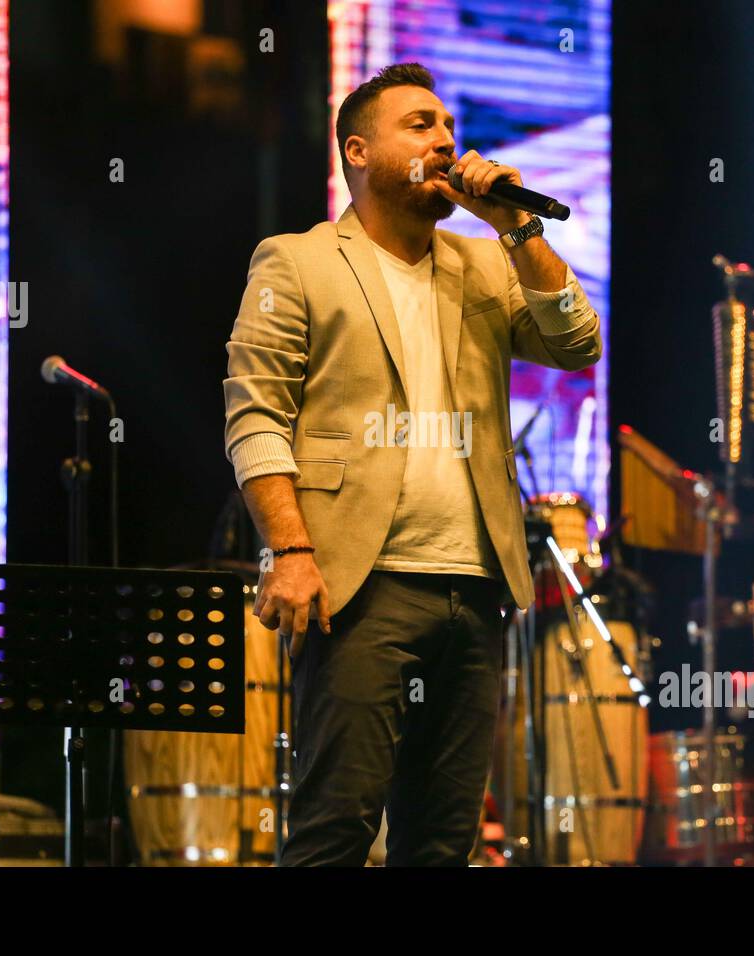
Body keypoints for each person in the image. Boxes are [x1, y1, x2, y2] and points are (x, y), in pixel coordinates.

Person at [223, 62, 602, 866]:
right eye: (420, 124)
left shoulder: (487, 263)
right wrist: (290, 551)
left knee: (442, 843)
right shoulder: (297, 262)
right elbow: (255, 417)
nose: (444, 141)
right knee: (335, 829)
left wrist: (517, 228)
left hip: (475, 586)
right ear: (358, 151)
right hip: (364, 585)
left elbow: (577, 344)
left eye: (448, 129)